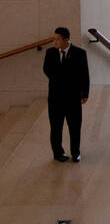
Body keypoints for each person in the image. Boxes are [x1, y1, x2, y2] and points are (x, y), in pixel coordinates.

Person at [42, 26, 90, 162]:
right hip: (55, 98)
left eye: (57, 39)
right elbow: (47, 70)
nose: (54, 42)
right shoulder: (50, 52)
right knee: (56, 127)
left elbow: (84, 74)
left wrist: (84, 93)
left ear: (66, 40)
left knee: (74, 127)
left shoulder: (80, 53)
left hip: (73, 97)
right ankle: (58, 153)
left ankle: (76, 152)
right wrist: (64, 77)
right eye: (54, 39)